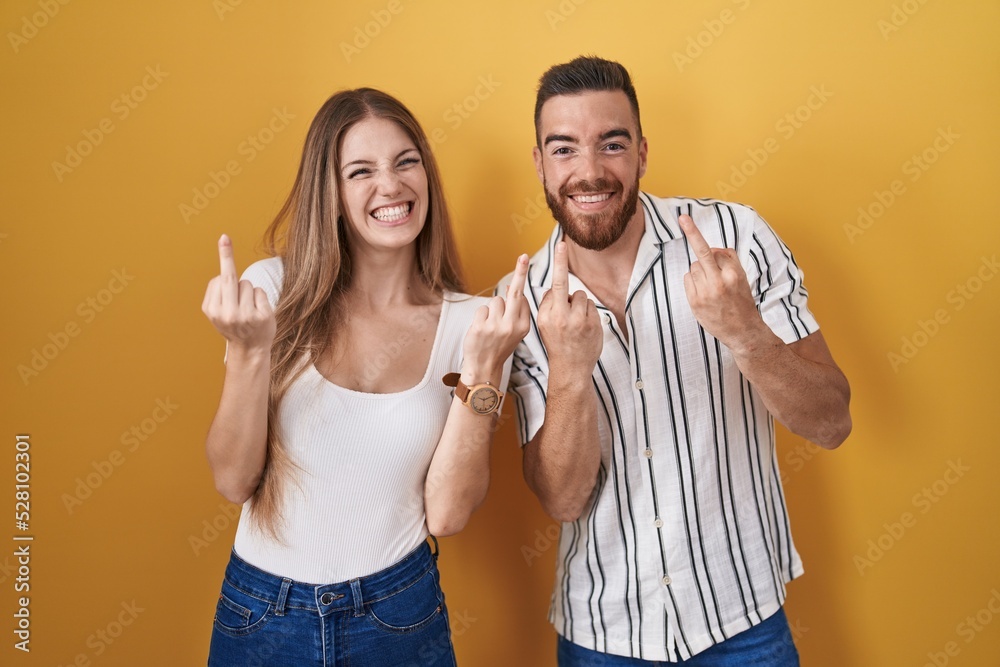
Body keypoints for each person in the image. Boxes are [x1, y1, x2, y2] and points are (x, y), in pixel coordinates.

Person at [500, 57, 852, 666]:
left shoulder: (736, 240)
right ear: (539, 163)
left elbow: (831, 423)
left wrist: (745, 333)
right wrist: (570, 376)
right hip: (603, 634)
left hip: (742, 617)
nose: (589, 171)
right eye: (563, 149)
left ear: (642, 152)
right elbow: (560, 500)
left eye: (612, 144)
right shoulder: (521, 305)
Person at [201, 88, 529, 666]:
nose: (392, 185)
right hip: (262, 615)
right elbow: (233, 480)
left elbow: (448, 514)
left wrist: (483, 368)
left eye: (406, 162)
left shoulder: (469, 324)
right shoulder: (274, 291)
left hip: (398, 614)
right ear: (329, 194)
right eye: (361, 171)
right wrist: (250, 353)